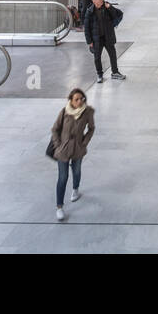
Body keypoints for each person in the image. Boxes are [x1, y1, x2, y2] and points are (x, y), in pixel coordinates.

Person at [50, 88, 95, 221]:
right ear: (71, 100)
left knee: (76, 170)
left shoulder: (88, 112)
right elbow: (55, 129)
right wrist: (58, 145)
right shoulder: (64, 112)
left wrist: (84, 143)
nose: (80, 101)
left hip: (78, 149)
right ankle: (59, 207)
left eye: (82, 99)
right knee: (62, 177)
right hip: (63, 150)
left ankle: (75, 188)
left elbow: (91, 128)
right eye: (76, 99)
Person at [83, 0, 124, 81]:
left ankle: (115, 72)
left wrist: (110, 8)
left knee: (112, 54)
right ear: (94, 1)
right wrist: (89, 41)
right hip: (97, 39)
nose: (102, 0)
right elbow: (86, 28)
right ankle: (99, 75)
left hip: (108, 36)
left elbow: (117, 15)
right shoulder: (89, 11)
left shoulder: (106, 8)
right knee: (97, 57)